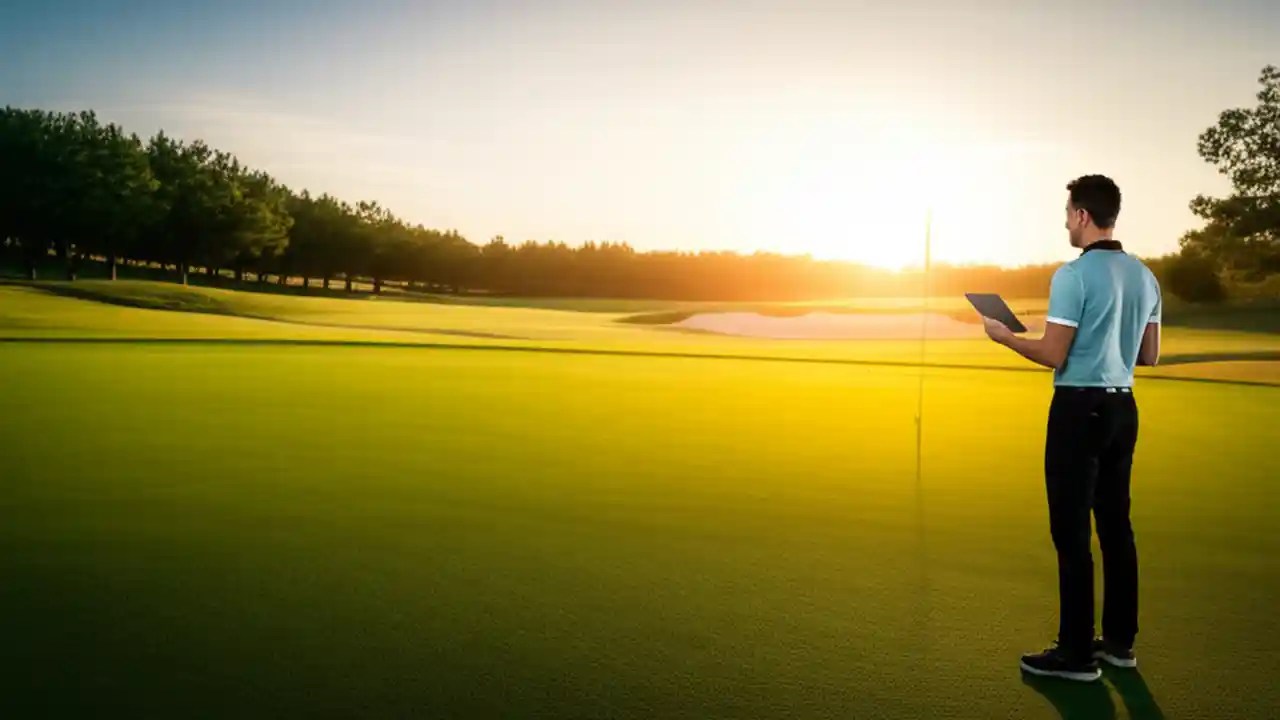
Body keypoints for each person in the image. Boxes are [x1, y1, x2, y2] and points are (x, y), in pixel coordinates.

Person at [982, 174, 1162, 682]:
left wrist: (1003, 337)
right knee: (1116, 527)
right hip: (1123, 408)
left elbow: (1051, 353)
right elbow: (1149, 355)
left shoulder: (1072, 275)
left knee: (1071, 533)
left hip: (1077, 411)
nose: (1065, 221)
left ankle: (1076, 654)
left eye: (1068, 212)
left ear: (1083, 215)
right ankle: (1120, 646)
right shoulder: (1146, 277)